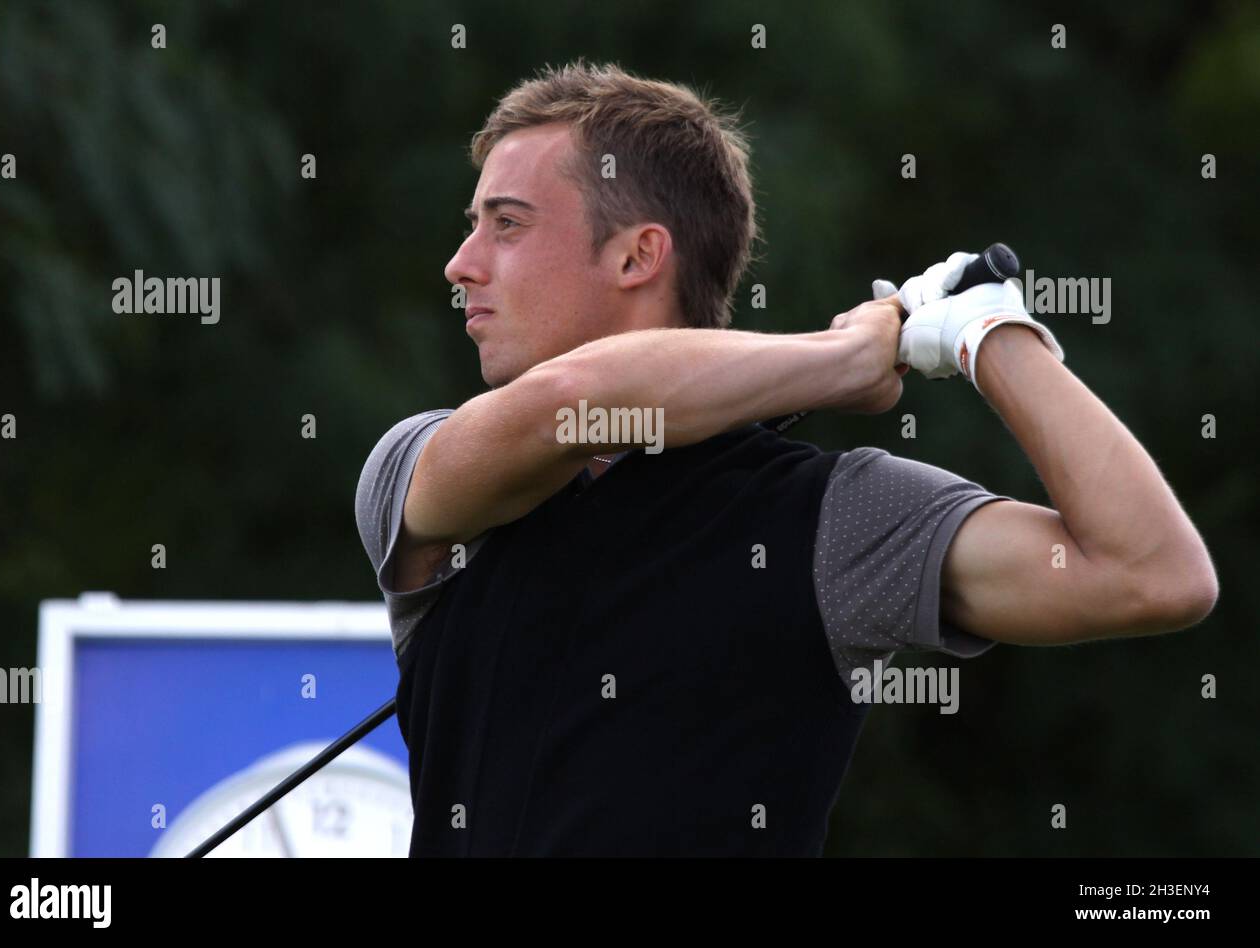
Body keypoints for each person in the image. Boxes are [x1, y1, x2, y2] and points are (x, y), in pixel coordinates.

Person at [354, 60, 1217, 856]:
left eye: (505, 225)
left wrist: (991, 335)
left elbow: (1153, 574)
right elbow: (564, 409)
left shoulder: (838, 514)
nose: (459, 264)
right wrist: (844, 359)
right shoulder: (418, 466)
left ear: (636, 256)